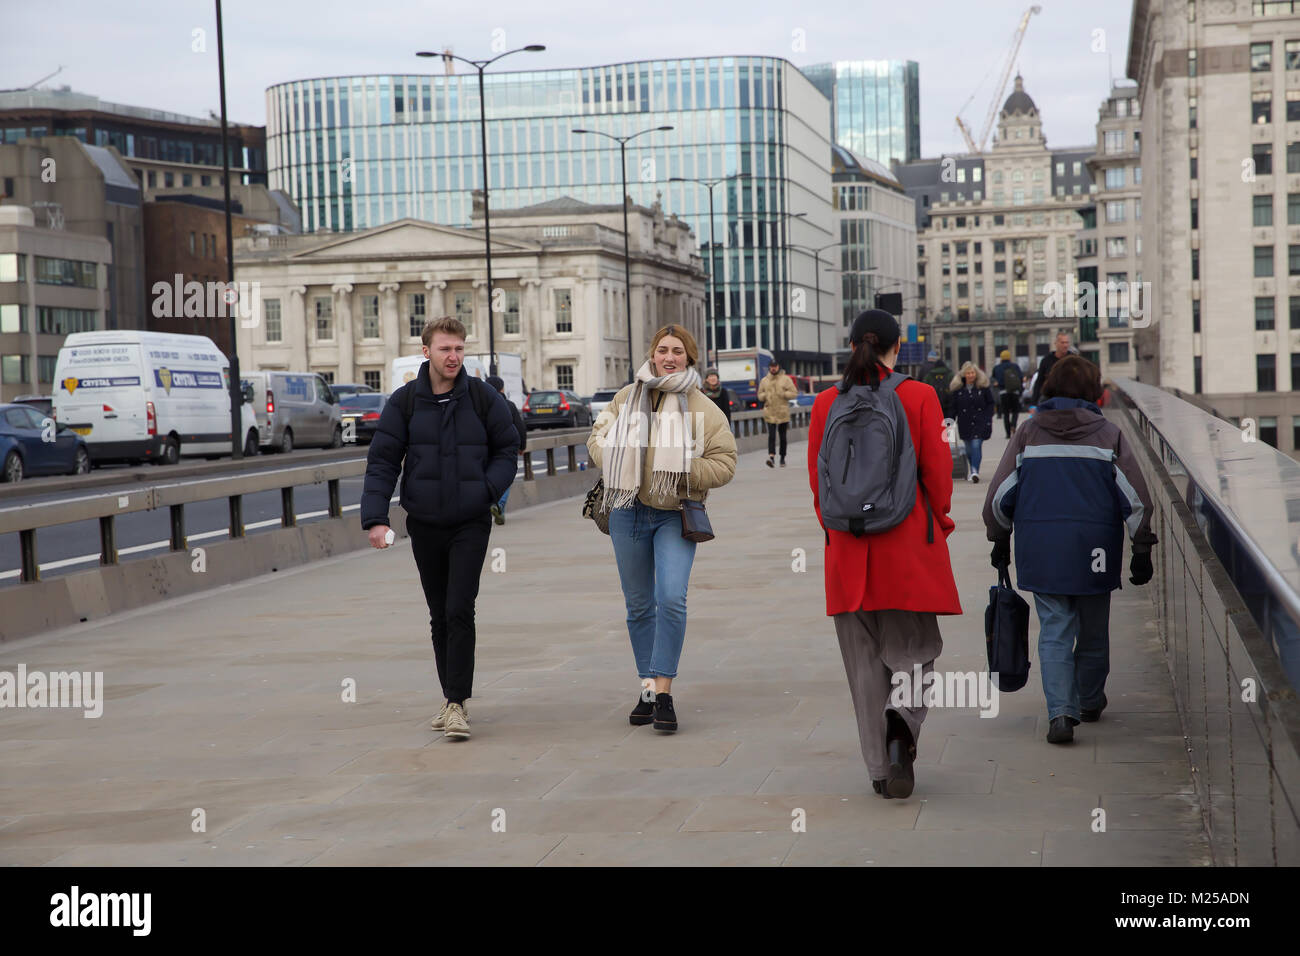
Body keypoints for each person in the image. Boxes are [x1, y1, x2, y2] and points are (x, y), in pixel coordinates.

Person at [809, 310, 961, 800]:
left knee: (864, 668)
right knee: (915, 653)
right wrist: (938, 522)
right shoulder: (920, 396)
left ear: (852, 345)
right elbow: (939, 472)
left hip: (847, 555)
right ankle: (902, 728)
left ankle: (879, 769)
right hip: (906, 550)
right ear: (897, 349)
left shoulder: (825, 403)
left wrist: (841, 532)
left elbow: (819, 484)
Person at [982, 355, 1157, 745]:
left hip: (1043, 548)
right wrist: (1141, 546)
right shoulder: (1109, 435)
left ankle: (1061, 713)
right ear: (1094, 391)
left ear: (1049, 387)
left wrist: (999, 537)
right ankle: (1090, 700)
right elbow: (1136, 499)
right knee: (1094, 631)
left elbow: (999, 497)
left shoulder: (1028, 433)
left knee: (1055, 630)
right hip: (1095, 548)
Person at [361, 316, 520, 742]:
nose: (453, 357)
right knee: (438, 615)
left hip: (470, 520)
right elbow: (382, 462)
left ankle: (455, 703)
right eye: (445, 349)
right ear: (426, 351)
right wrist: (376, 517)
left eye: (459, 349)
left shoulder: (484, 399)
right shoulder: (405, 402)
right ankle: (452, 698)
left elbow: (508, 448)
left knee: (458, 608)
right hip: (425, 522)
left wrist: (486, 489)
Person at [587, 325, 738, 733]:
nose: (668, 357)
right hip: (627, 511)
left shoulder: (704, 409)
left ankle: (665, 693)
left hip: (675, 513)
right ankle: (649, 688)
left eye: (677, 351)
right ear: (652, 354)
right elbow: (596, 438)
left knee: (671, 598)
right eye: (662, 350)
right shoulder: (626, 398)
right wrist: (616, 454)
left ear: (689, 358)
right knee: (638, 607)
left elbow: (725, 463)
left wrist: (682, 466)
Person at [487, 374, 527, 525]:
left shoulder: (481, 405)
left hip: (486, 448)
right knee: (506, 477)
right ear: (502, 388)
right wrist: (522, 446)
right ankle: (500, 504)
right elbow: (519, 426)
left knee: (489, 476)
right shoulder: (509, 405)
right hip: (506, 448)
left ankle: (495, 508)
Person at [948, 362, 995, 483]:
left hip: (980, 422)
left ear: (976, 374)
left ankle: (975, 471)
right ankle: (973, 468)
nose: (970, 375)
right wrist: (949, 421)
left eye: (972, 372)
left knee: (976, 445)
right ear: (964, 374)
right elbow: (953, 407)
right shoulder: (958, 390)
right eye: (968, 373)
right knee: (969, 449)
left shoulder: (983, 389)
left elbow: (990, 403)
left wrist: (988, 417)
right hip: (965, 423)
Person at [757, 359, 797, 467]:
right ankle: (771, 457)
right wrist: (764, 396)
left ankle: (782, 457)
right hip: (770, 412)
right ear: (769, 367)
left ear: (778, 367)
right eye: (772, 366)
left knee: (783, 437)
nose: (773, 368)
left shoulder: (786, 379)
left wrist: (784, 394)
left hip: (782, 412)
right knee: (772, 436)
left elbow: (794, 393)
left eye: (775, 366)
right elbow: (759, 395)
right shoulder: (764, 380)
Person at [1030, 332, 1073, 405]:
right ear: (1056, 343)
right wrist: (1034, 403)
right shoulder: (1046, 360)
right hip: (1051, 399)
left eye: (1067, 343)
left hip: (1070, 398)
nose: (1065, 345)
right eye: (1062, 343)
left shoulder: (1073, 360)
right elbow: (1039, 382)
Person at [990, 349, 1023, 438]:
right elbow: (1020, 378)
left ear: (1001, 358)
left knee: (1006, 413)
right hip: (1014, 392)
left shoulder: (997, 368)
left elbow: (993, 378)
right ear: (1009, 357)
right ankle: (1013, 425)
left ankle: (1008, 433)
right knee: (1015, 411)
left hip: (1003, 393)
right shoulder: (1015, 366)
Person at [920, 352, 953, 419]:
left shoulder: (928, 374)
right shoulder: (949, 374)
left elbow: (922, 384)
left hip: (933, 402)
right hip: (947, 402)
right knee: (947, 422)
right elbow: (954, 386)